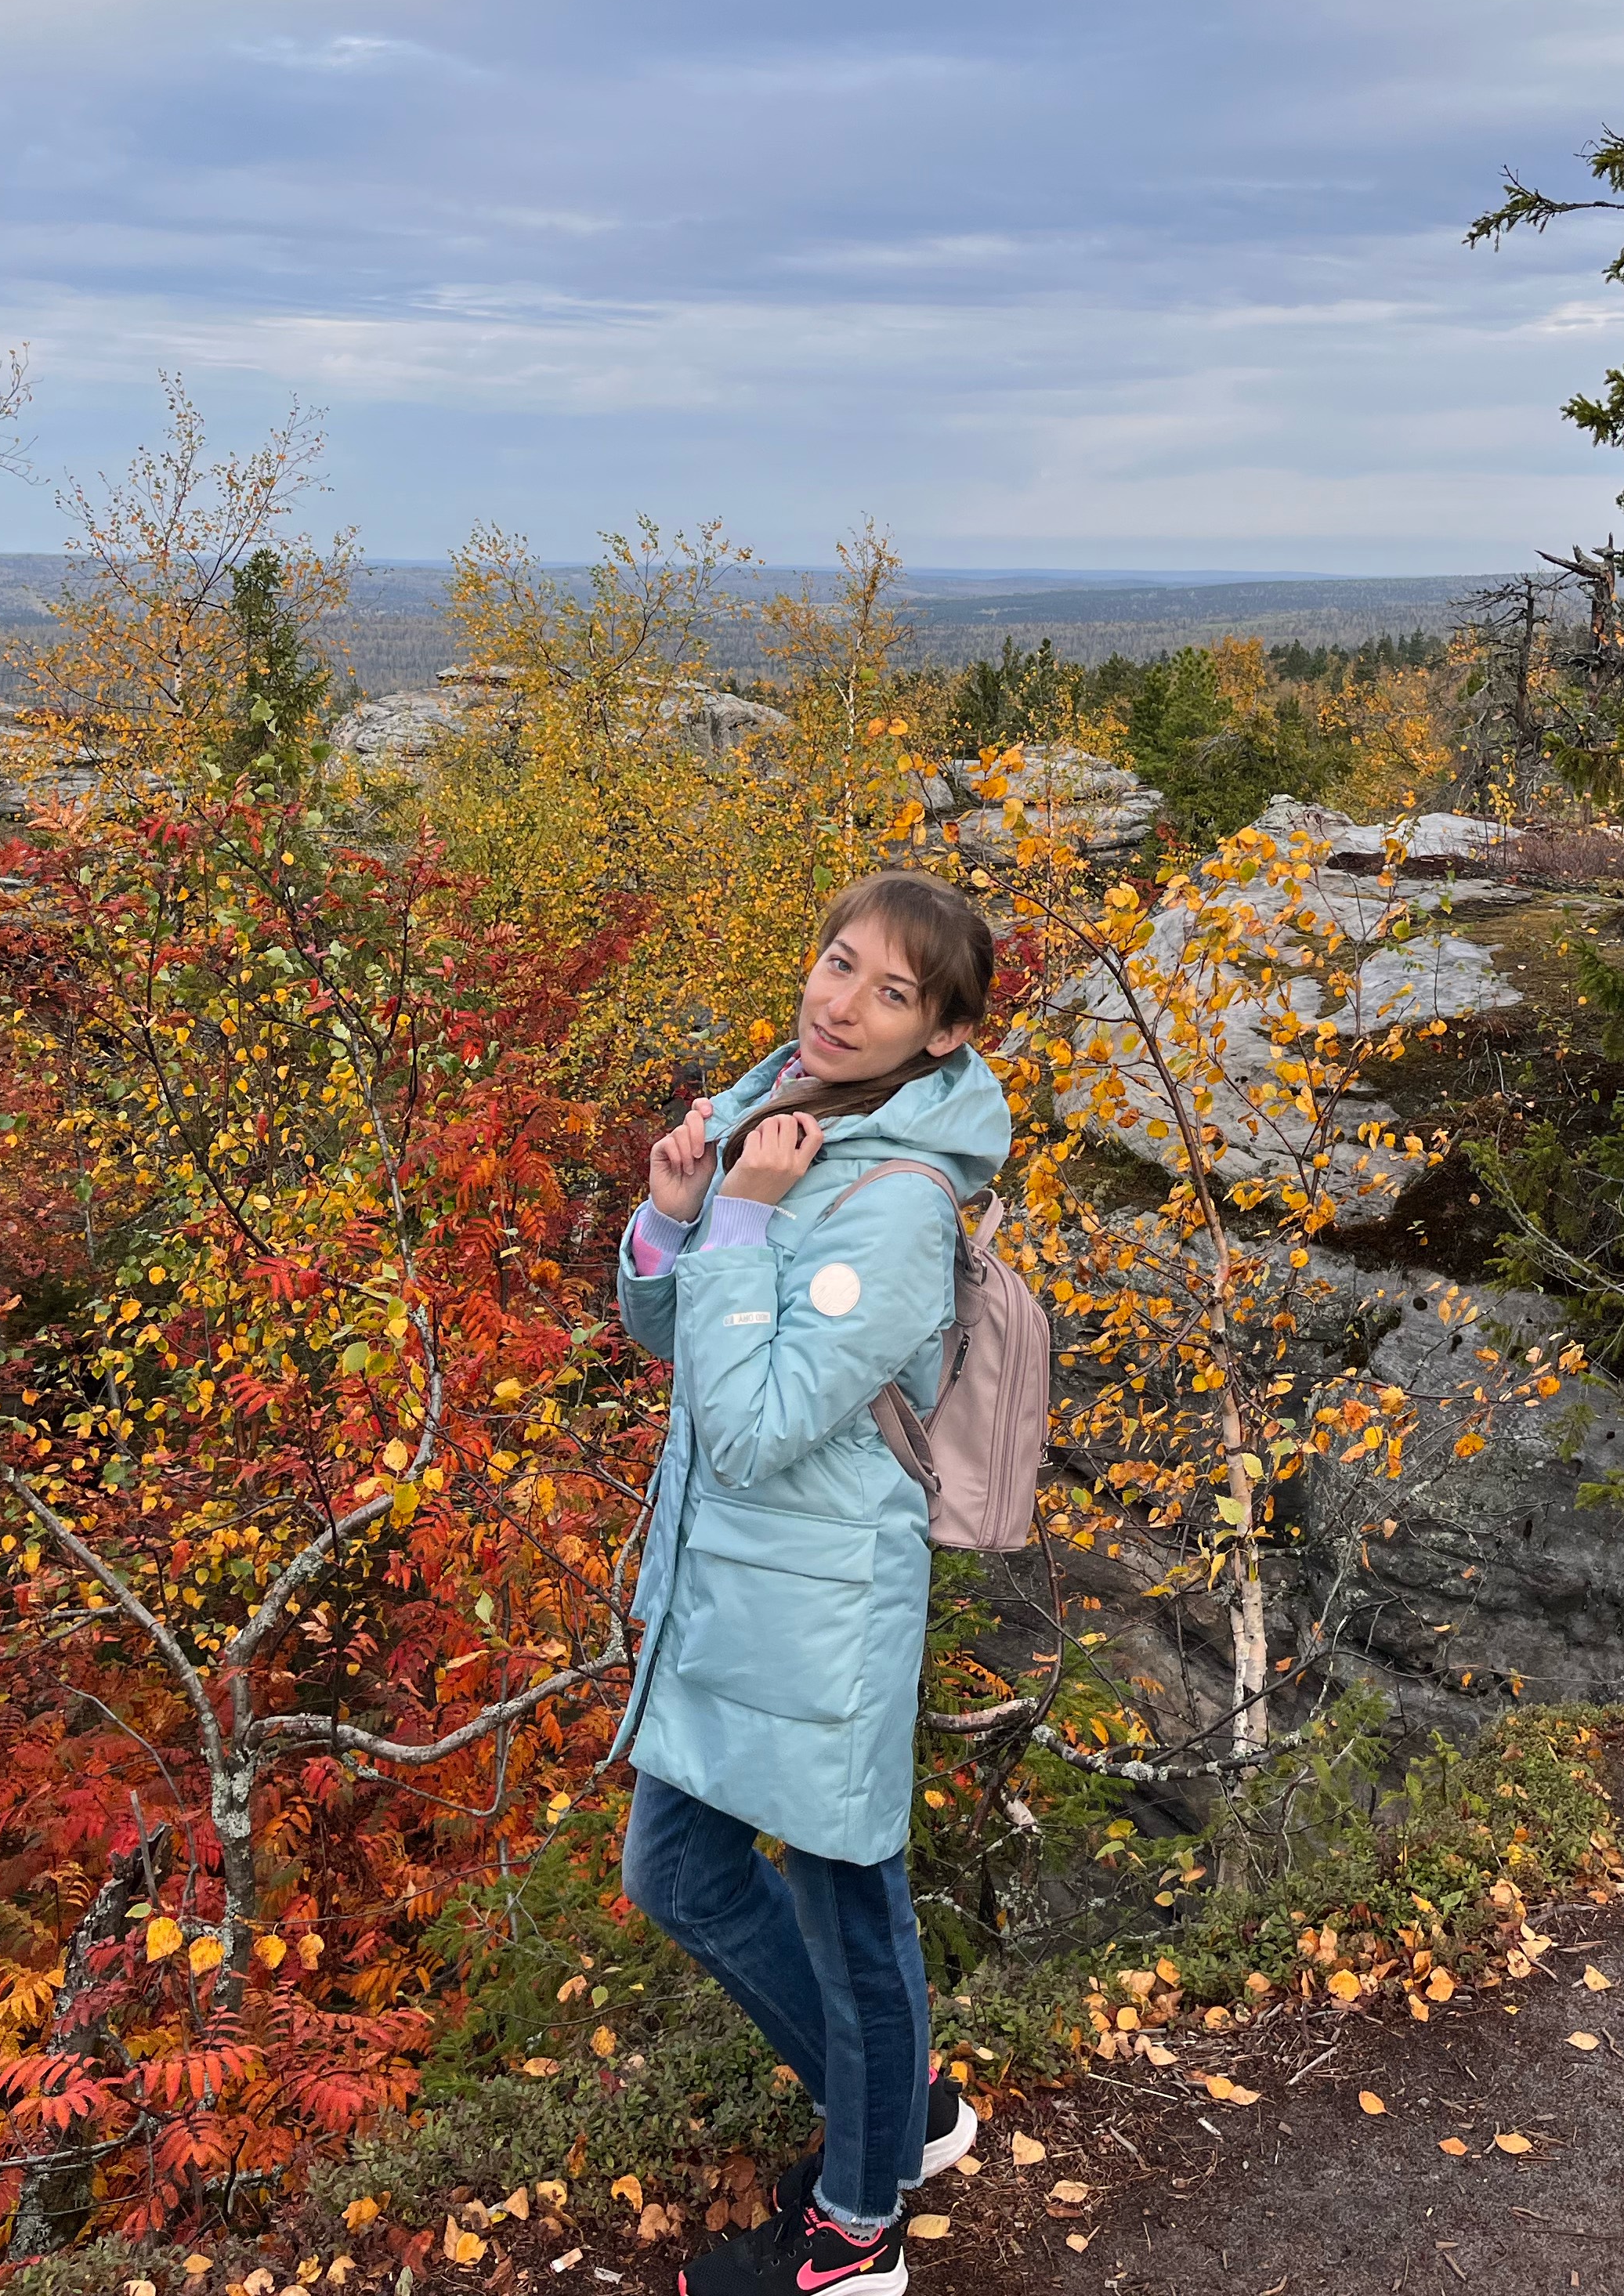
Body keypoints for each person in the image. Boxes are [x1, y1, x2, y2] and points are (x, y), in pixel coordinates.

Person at [610, 871, 1012, 2296]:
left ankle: (857, 2240)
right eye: (836, 963)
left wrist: (737, 1225)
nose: (840, 1003)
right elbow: (679, 1347)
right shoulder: (774, 1119)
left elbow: (761, 1423)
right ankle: (908, 2119)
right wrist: (672, 1222)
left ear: (944, 1035)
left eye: (891, 992)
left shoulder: (897, 1202)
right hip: (735, 1594)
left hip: (820, 1607)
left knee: (852, 1916)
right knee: (676, 1870)